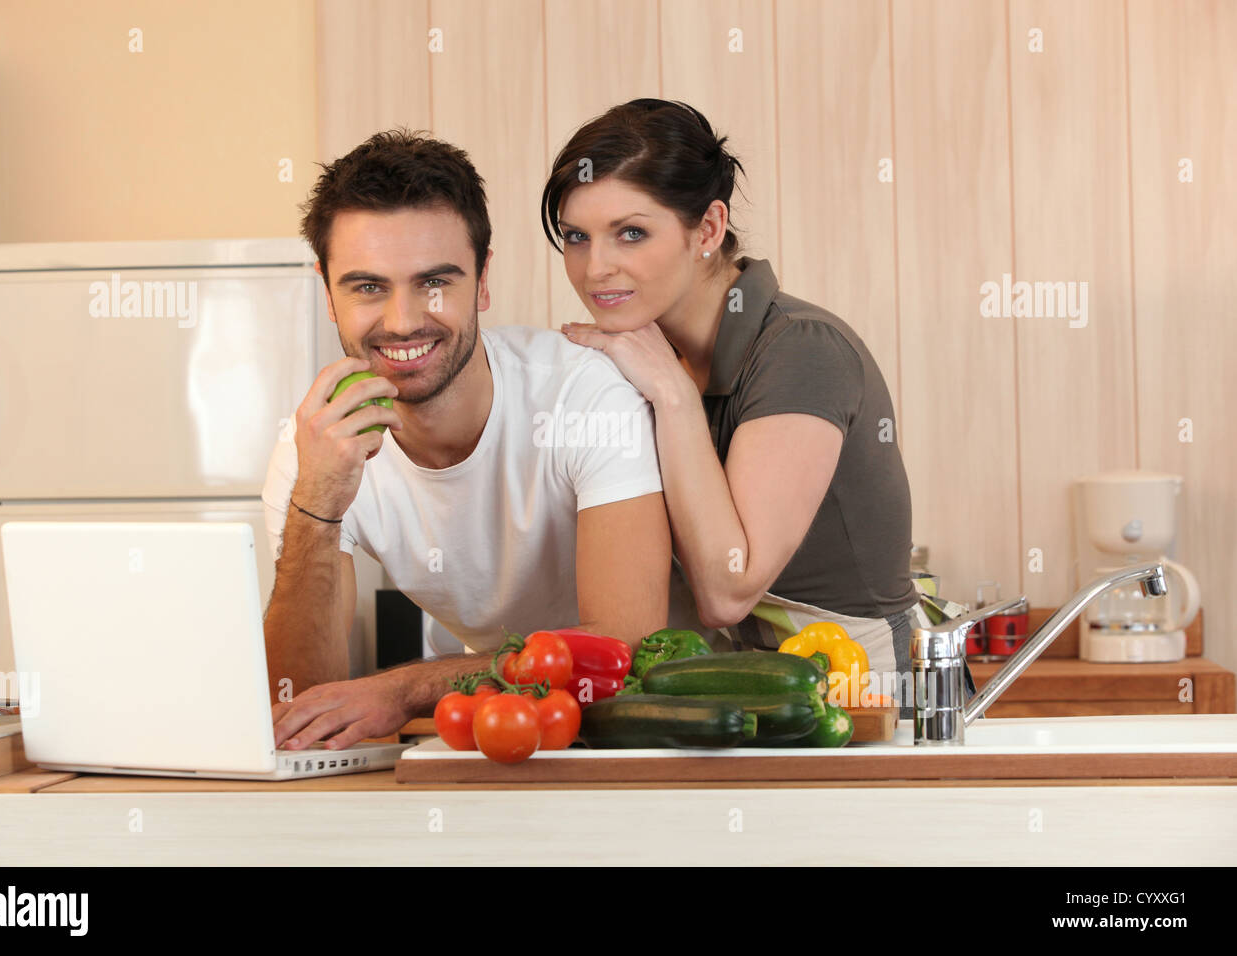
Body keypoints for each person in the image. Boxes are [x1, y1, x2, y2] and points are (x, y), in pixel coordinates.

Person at [543, 98, 954, 717]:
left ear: (707, 229)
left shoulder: (801, 349)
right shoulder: (648, 357)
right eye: (577, 237)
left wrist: (676, 398)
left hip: (869, 697)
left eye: (632, 232)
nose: (596, 268)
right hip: (744, 690)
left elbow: (728, 590)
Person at [264, 129, 672, 751]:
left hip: (655, 723)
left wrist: (403, 689)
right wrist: (317, 502)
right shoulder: (312, 447)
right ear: (329, 295)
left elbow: (625, 642)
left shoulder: (580, 395)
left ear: (482, 282)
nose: (402, 321)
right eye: (367, 287)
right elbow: (295, 701)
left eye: (434, 283)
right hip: (508, 725)